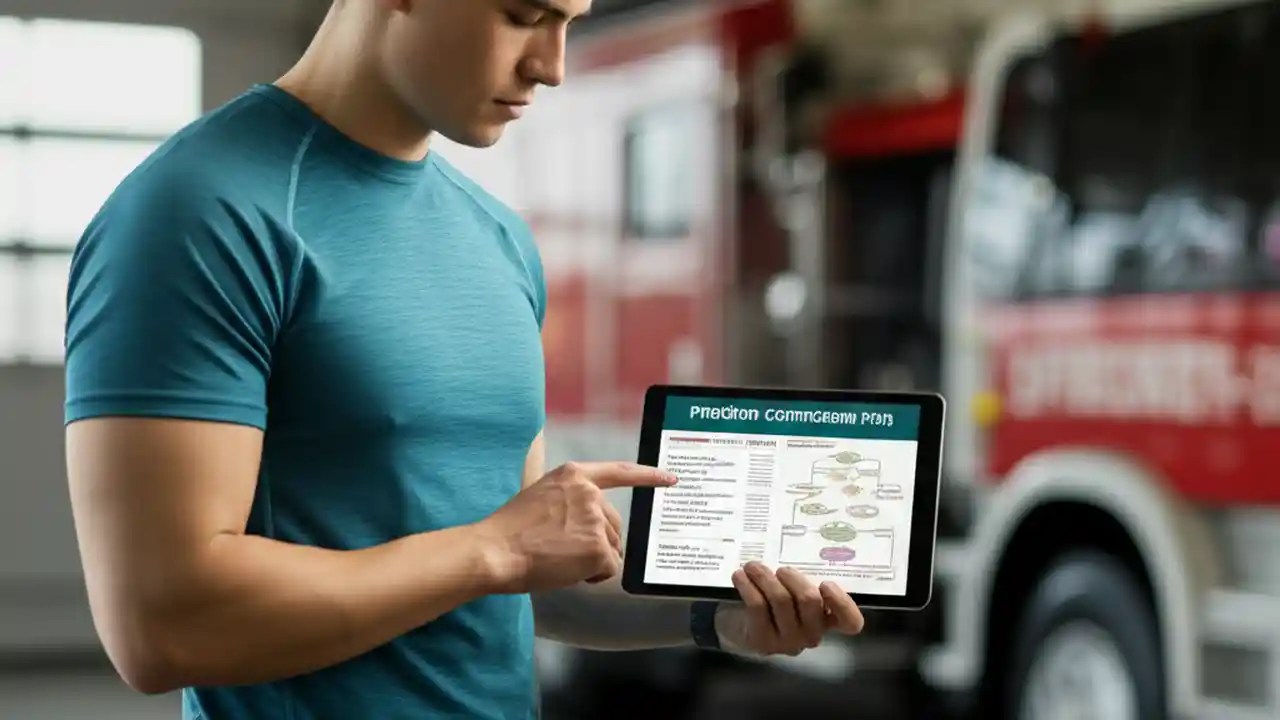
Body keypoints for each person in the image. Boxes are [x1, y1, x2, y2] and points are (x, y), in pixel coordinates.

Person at [62, 0, 866, 718]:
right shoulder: (197, 214)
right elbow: (161, 627)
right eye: (523, 15)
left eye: (568, 24)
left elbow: (522, 583)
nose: (551, 66)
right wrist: (497, 548)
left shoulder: (498, 237)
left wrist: (718, 617)